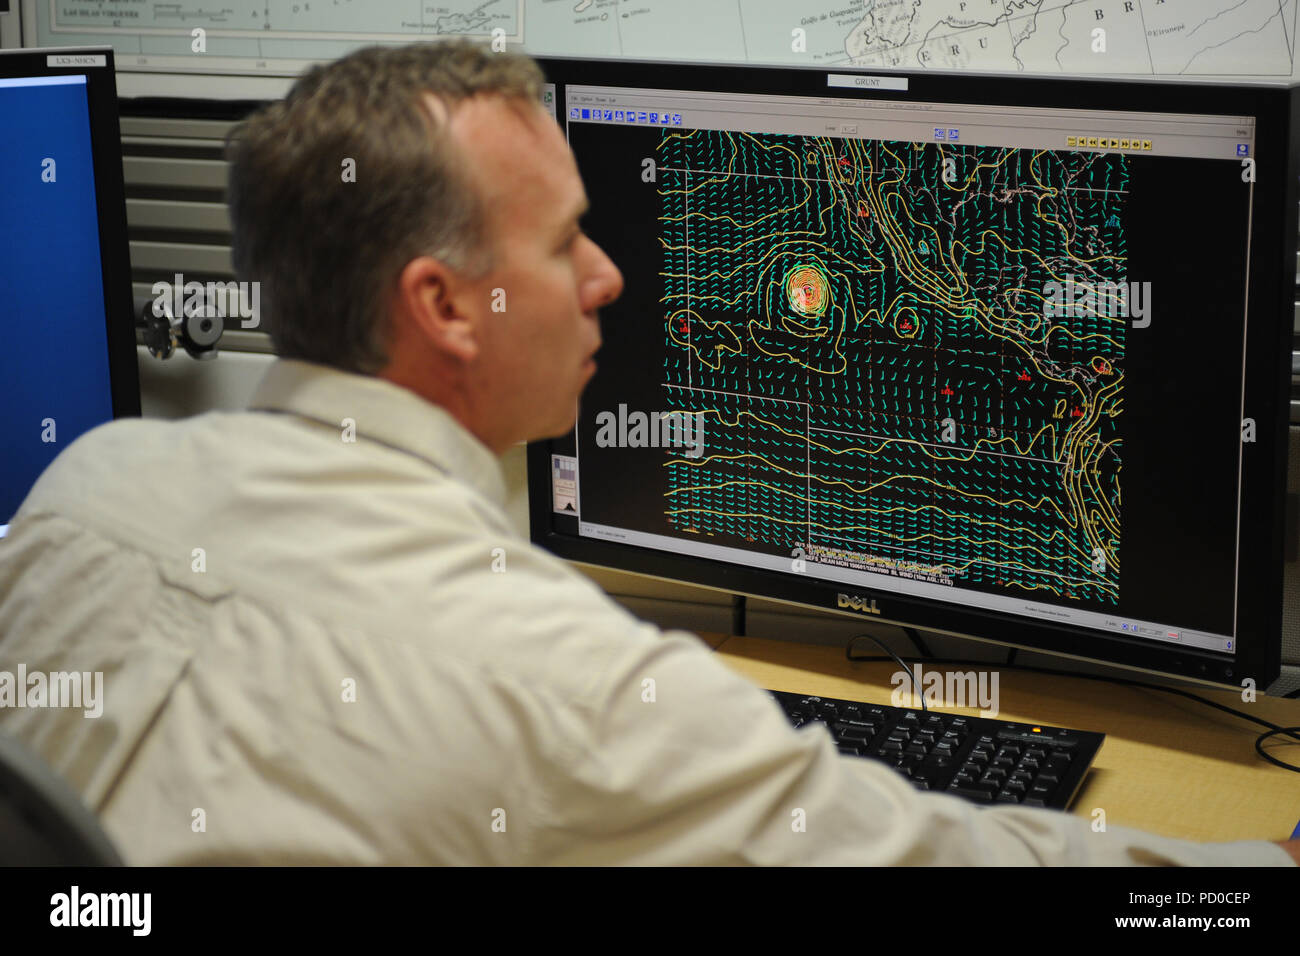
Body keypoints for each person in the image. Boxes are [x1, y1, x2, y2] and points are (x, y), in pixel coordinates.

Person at [0, 39, 1295, 866]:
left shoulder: (83, 492)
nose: (610, 274)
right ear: (446, 307)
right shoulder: (559, 677)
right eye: (564, 240)